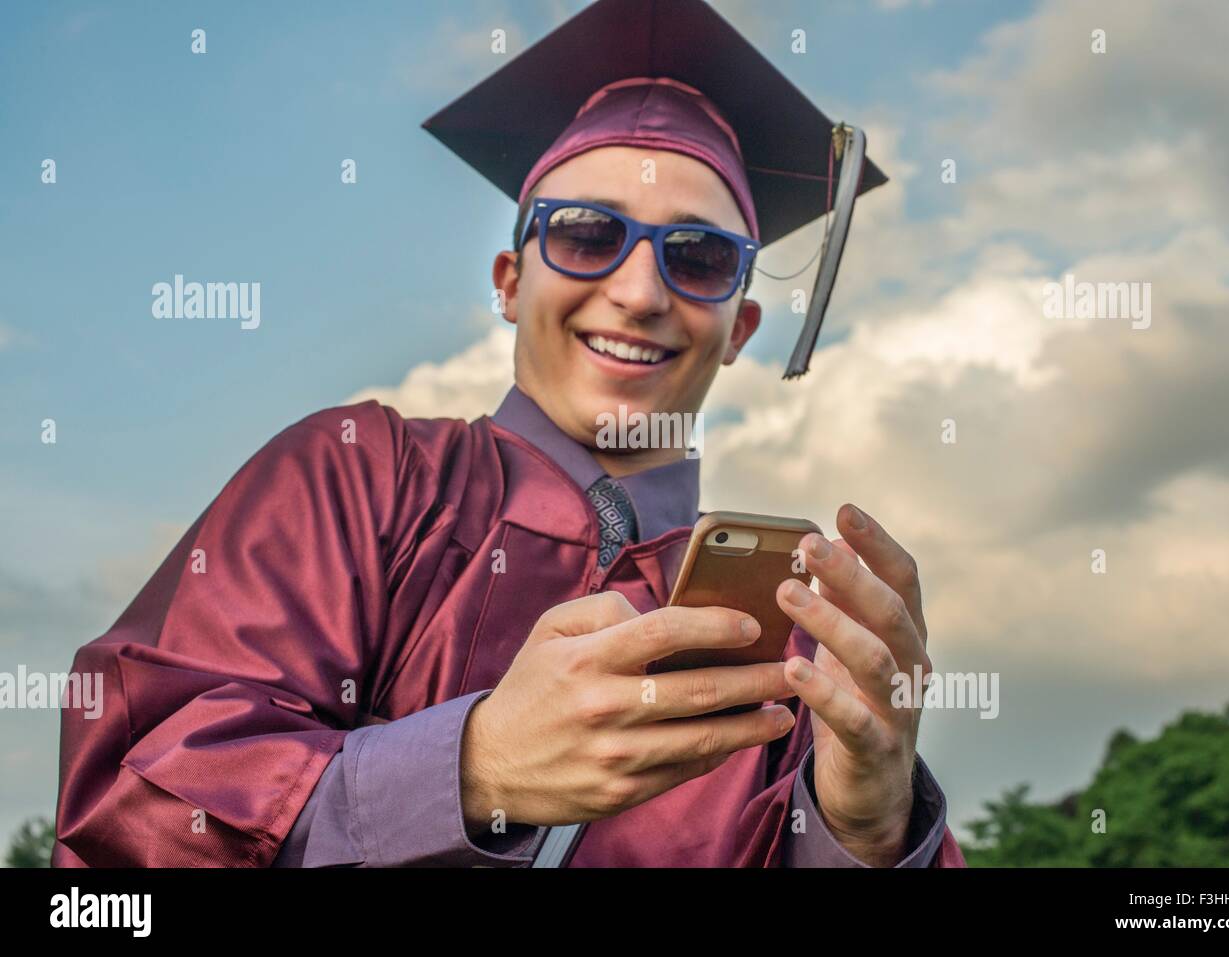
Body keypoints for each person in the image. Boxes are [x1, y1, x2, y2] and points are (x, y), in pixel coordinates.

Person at [52, 0, 965, 868]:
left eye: (699, 257)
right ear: (509, 280)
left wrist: (867, 829)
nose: (641, 293)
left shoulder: (789, 634)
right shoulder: (357, 477)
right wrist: (471, 766)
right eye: (583, 233)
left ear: (742, 329)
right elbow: (134, 818)